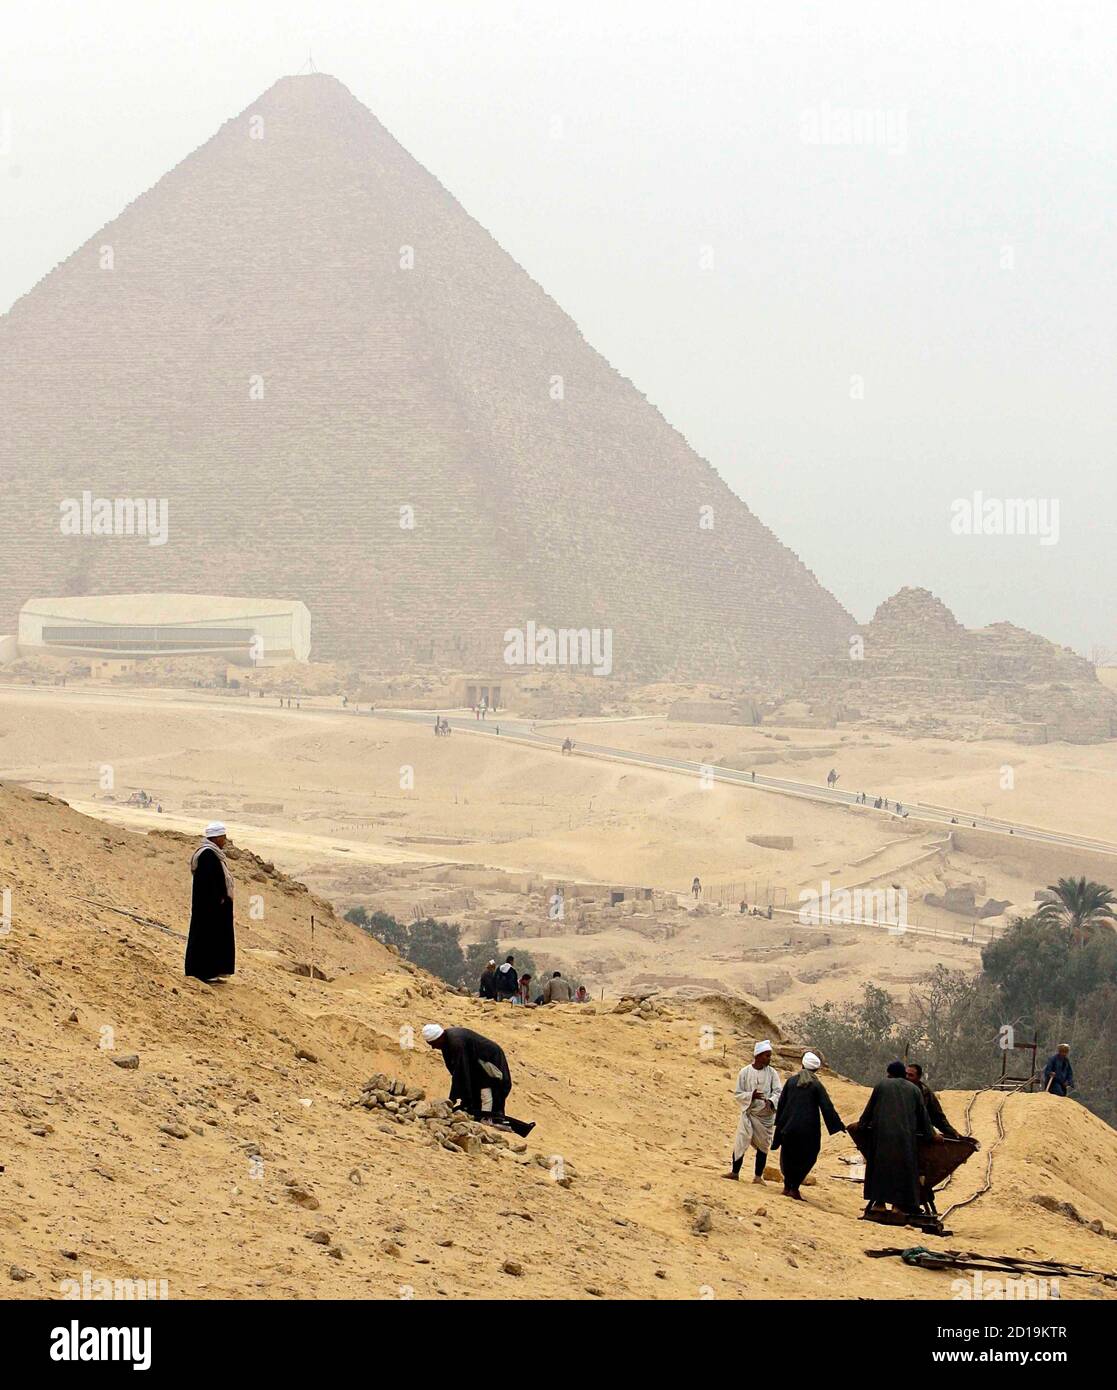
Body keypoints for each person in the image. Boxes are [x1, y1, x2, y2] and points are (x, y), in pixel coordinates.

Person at [422, 1023, 534, 1137]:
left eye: (433, 1044)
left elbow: (460, 1071)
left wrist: (453, 1098)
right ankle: (479, 1113)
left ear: (439, 1037)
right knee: (475, 1090)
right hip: (476, 1064)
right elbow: (454, 1068)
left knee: (487, 1090)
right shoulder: (446, 1041)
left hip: (489, 1060)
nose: (433, 1047)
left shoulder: (456, 1042)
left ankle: (490, 1121)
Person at [856, 1060, 932, 1214]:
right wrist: (930, 1135)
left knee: (879, 1169)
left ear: (889, 1074)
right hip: (905, 1139)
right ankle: (898, 1206)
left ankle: (879, 1204)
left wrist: (861, 1126)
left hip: (881, 1136)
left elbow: (869, 1110)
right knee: (902, 1171)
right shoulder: (915, 1090)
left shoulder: (881, 1086)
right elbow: (924, 1117)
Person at [772, 1052, 845, 1199]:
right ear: (816, 1070)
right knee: (807, 1157)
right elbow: (827, 1107)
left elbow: (781, 1104)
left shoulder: (791, 1082)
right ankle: (795, 1188)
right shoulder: (817, 1085)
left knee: (788, 1156)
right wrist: (838, 1125)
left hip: (789, 1127)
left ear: (802, 1065)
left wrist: (779, 1124)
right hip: (808, 1131)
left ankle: (787, 1186)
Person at [184, 820, 236, 982]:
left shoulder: (213, 854)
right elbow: (208, 883)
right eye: (223, 837)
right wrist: (218, 900)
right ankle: (202, 972)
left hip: (214, 907)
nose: (225, 840)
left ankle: (212, 971)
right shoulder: (207, 854)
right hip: (209, 908)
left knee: (214, 939)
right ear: (215, 838)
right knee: (205, 938)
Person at [724, 1041, 782, 1183]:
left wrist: (771, 1101)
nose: (769, 1059)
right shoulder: (745, 1072)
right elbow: (738, 1093)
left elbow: (778, 1092)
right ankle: (735, 1172)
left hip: (765, 1117)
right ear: (758, 1055)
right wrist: (751, 1096)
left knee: (763, 1146)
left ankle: (757, 1177)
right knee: (741, 1142)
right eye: (767, 1056)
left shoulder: (772, 1073)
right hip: (748, 1114)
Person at [905, 1063, 960, 1138]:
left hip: (918, 1135)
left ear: (918, 1077)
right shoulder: (897, 1091)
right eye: (905, 1074)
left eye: (911, 1075)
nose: (907, 1077)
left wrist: (951, 1131)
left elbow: (937, 1117)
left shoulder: (925, 1093)